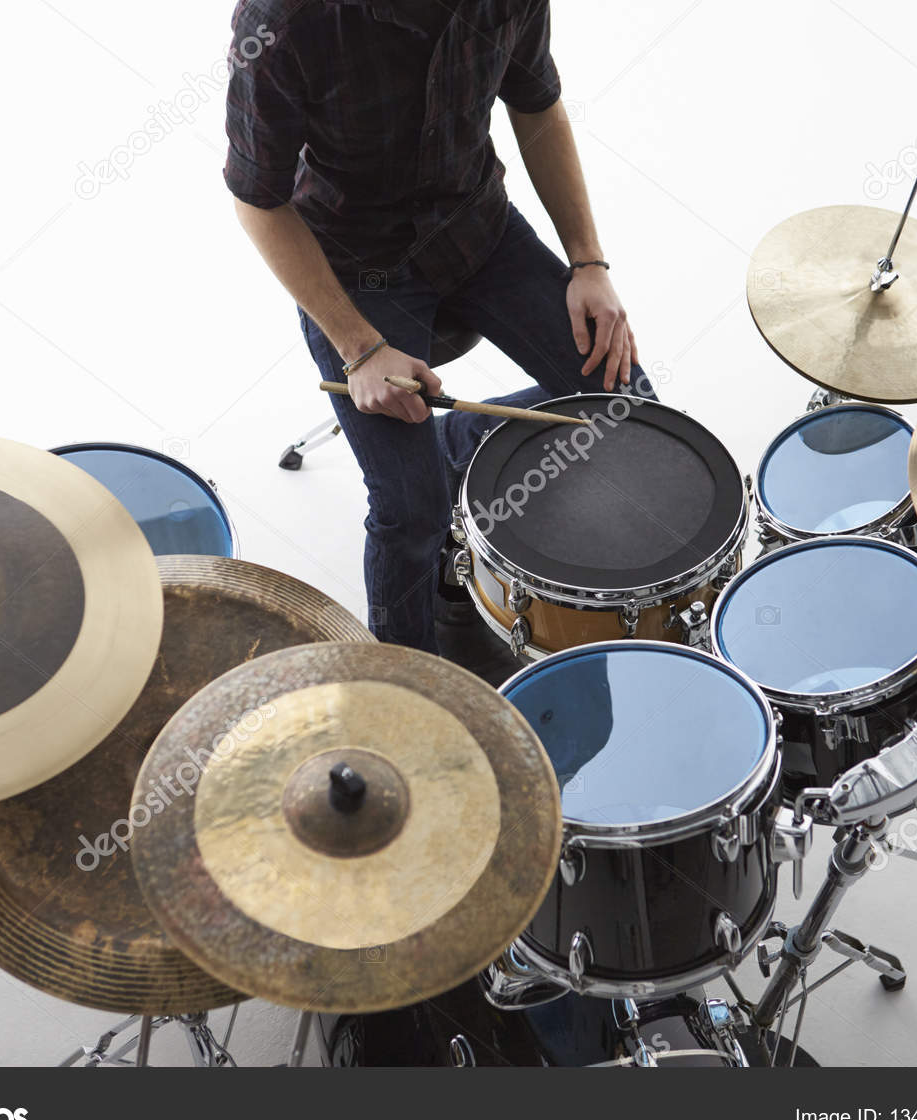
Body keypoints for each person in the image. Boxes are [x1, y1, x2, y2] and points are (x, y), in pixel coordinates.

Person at [226, 0, 648, 653]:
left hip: (479, 228)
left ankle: (458, 439)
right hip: (354, 268)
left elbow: (535, 104)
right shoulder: (282, 21)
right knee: (412, 512)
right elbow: (259, 201)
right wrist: (358, 347)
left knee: (632, 413)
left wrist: (587, 262)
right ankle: (403, 684)